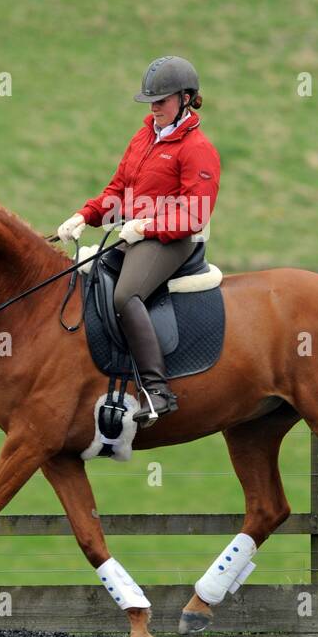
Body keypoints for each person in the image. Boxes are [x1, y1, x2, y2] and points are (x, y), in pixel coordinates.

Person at [57, 55, 221, 424]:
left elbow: (194, 214)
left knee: (124, 294)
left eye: (161, 101)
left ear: (185, 98)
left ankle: (157, 390)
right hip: (137, 234)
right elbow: (119, 189)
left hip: (174, 240)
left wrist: (146, 227)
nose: (154, 108)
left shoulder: (197, 148)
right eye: (151, 101)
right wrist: (85, 215)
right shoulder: (145, 136)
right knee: (90, 277)